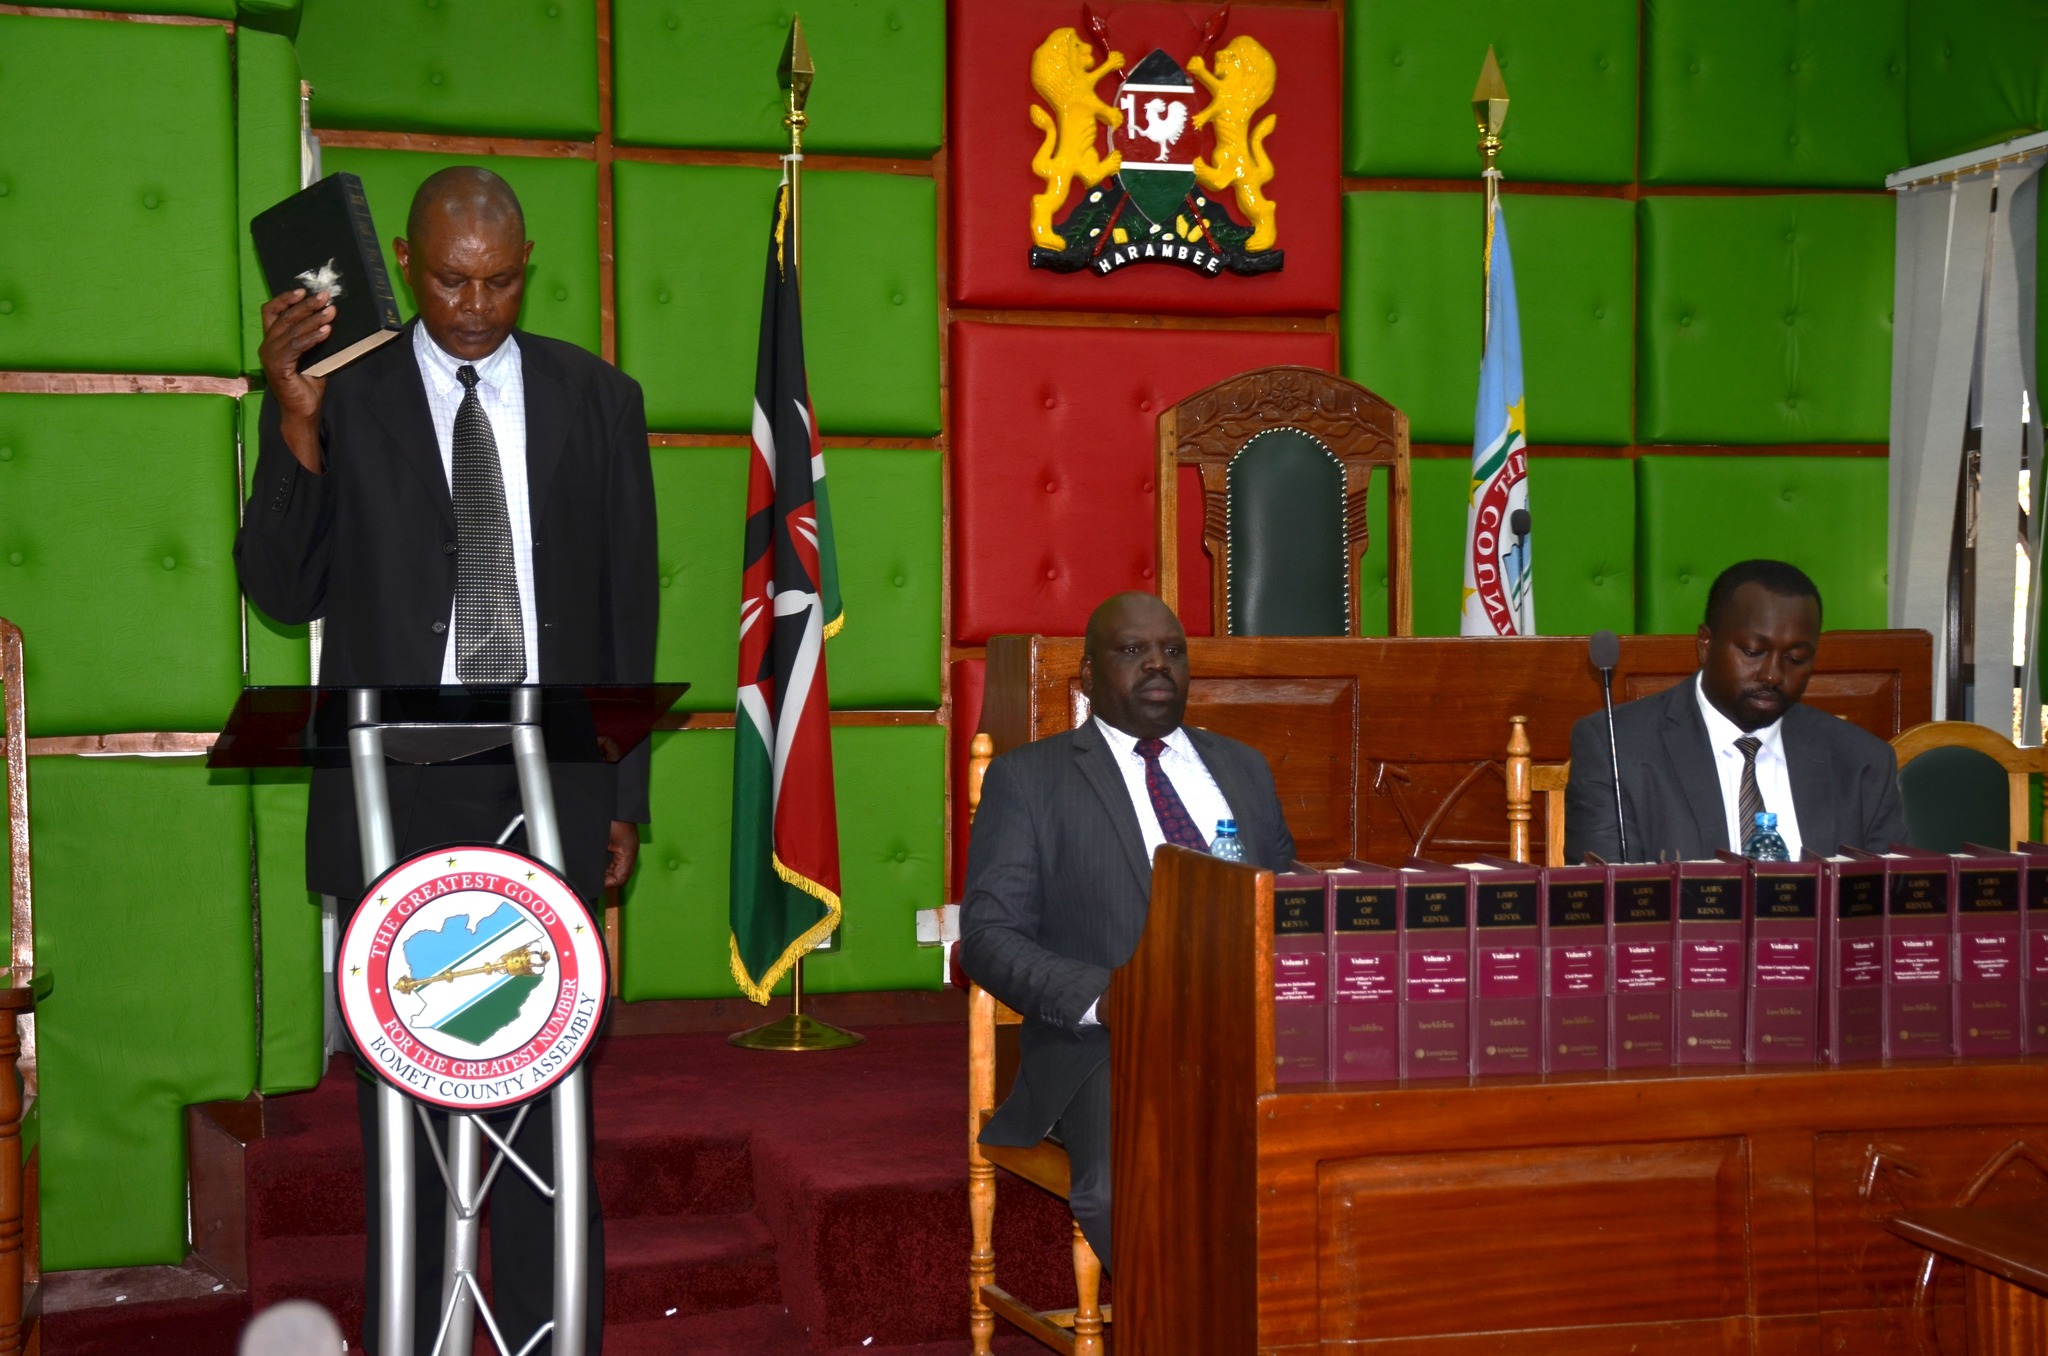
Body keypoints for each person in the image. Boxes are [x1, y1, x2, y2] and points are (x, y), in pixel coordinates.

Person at [235, 166, 656, 1354]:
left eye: (502, 279)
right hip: (393, 793)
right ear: (408, 268)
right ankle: (415, 1336)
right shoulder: (340, 394)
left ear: (531, 262)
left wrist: (620, 790)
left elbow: (627, 613)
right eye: (451, 280)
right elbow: (280, 589)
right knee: (409, 1100)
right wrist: (294, 426)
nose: (475, 305)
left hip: (546, 784)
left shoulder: (597, 399)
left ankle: (540, 1331)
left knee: (543, 1091)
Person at [958, 591, 1295, 1270]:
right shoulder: (1030, 781)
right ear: (1087, 676)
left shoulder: (1243, 768)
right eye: (1132, 651)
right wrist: (1106, 998)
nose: (1156, 665)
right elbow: (989, 934)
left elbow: (1288, 896)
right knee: (1131, 1189)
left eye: (1172, 651)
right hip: (1114, 1041)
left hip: (1255, 1027)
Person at [1564, 559, 1906, 863]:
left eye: (1796, 658)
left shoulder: (1862, 761)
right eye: (1753, 651)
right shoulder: (1617, 746)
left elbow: (1889, 906)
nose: (1773, 674)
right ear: (1705, 643)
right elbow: (1605, 902)